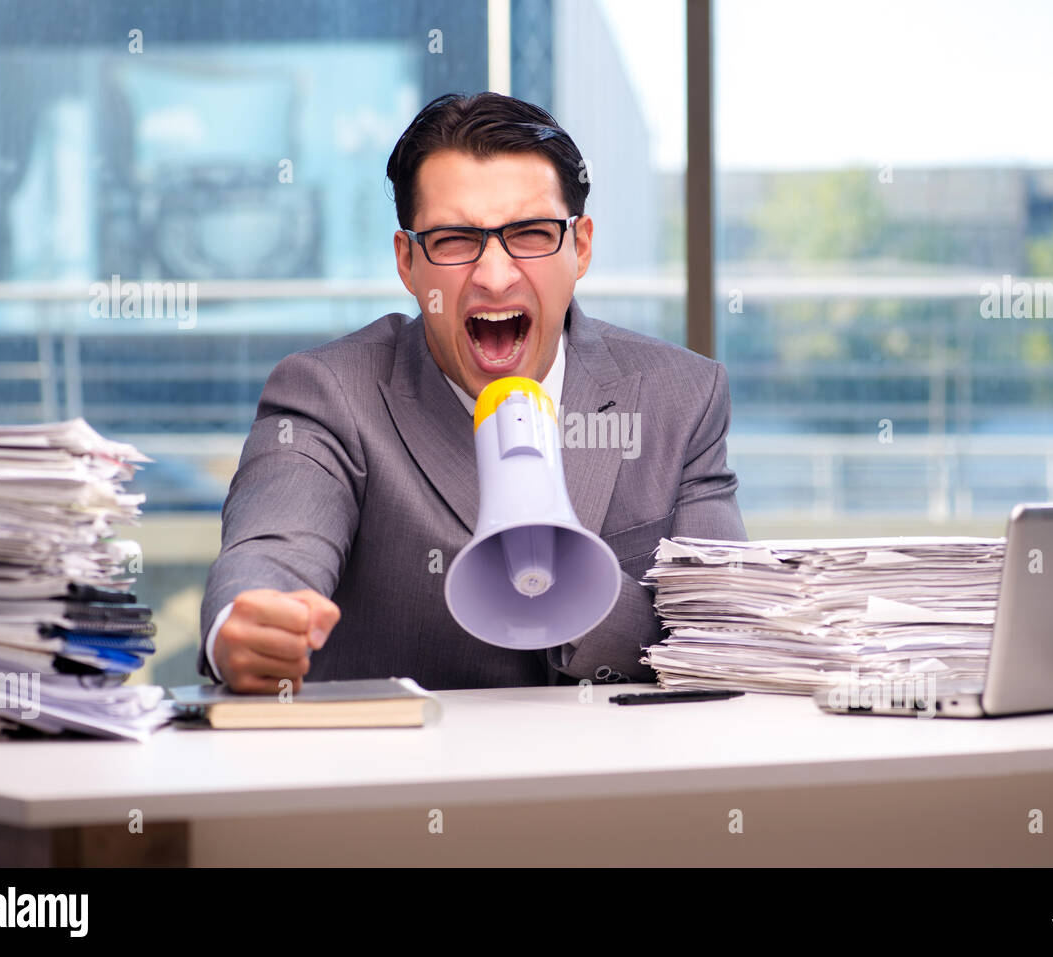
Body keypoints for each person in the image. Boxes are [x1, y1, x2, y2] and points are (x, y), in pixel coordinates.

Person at [198, 92, 746, 692]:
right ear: (407, 261)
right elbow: (275, 548)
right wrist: (246, 625)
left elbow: (720, 635)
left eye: (531, 234)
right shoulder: (330, 394)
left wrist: (557, 583)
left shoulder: (679, 396)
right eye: (455, 240)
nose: (493, 275)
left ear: (580, 247)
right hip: (408, 780)